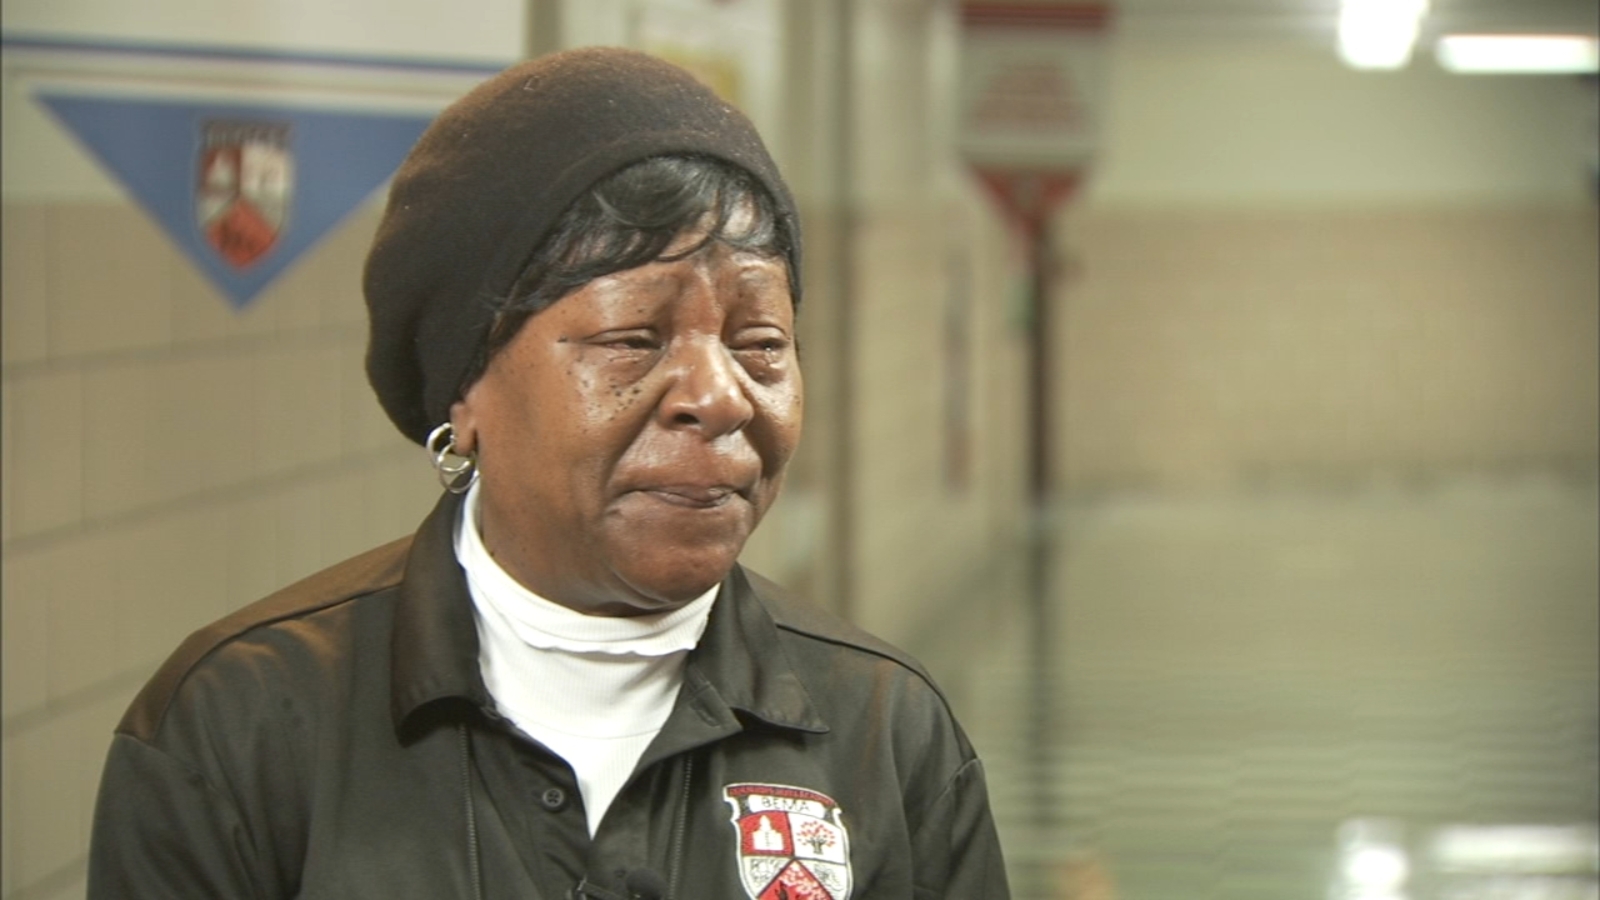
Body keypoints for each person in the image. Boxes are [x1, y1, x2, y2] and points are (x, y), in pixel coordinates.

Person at [87, 47, 1009, 899]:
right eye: (632, 339)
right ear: (466, 390)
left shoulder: (886, 734)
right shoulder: (239, 729)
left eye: (760, 343)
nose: (720, 397)